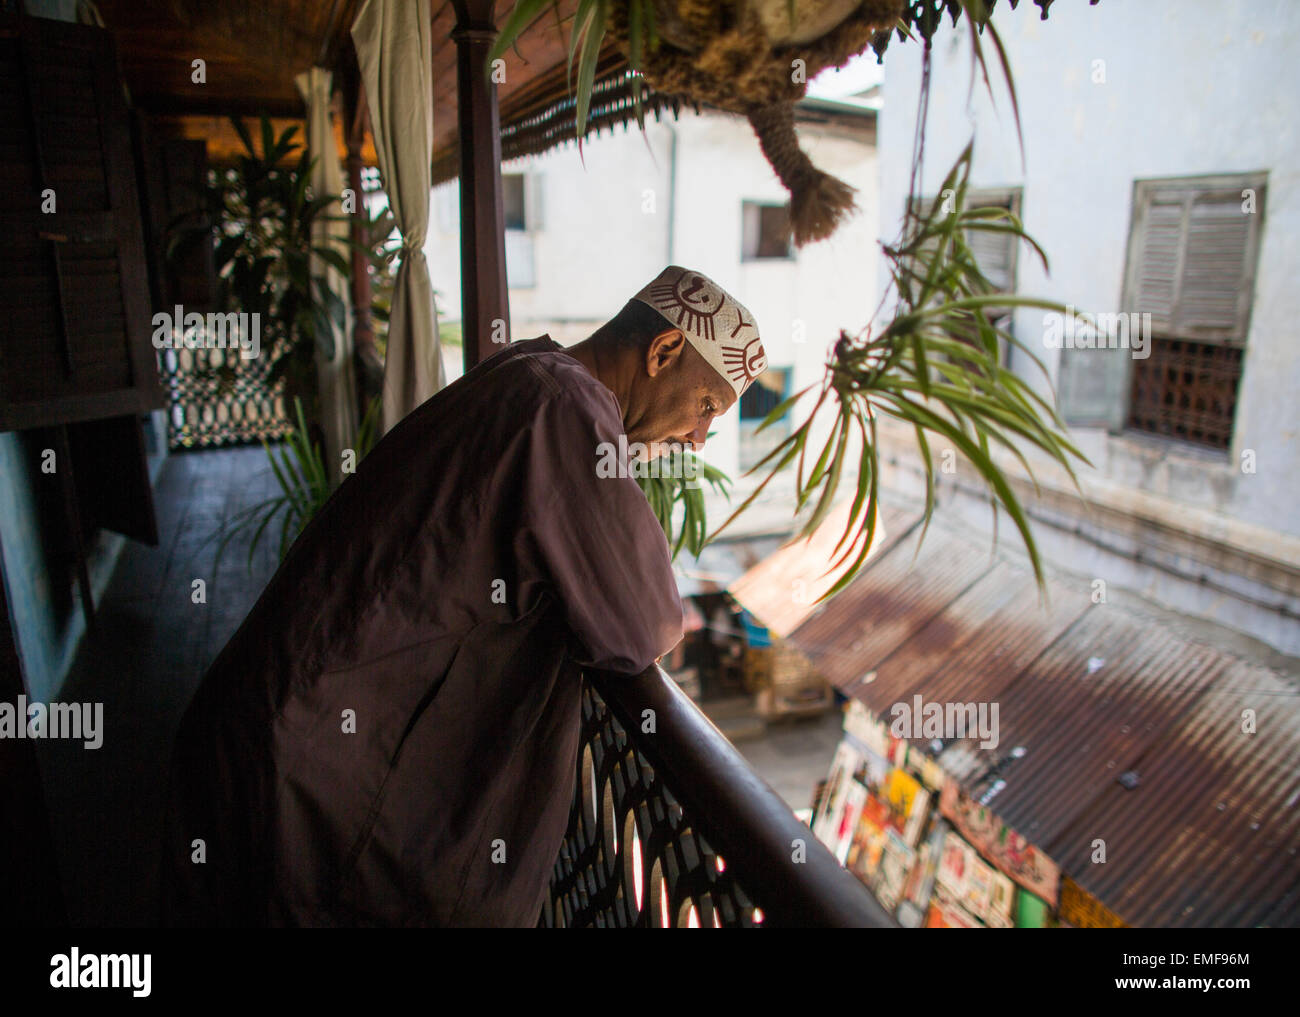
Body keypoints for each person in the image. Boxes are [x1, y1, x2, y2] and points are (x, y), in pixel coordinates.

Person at [159, 264, 768, 927]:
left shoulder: (529, 370)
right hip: (302, 759)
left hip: (273, 722)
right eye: (707, 405)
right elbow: (645, 623)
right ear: (664, 350)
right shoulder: (566, 411)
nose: (700, 436)